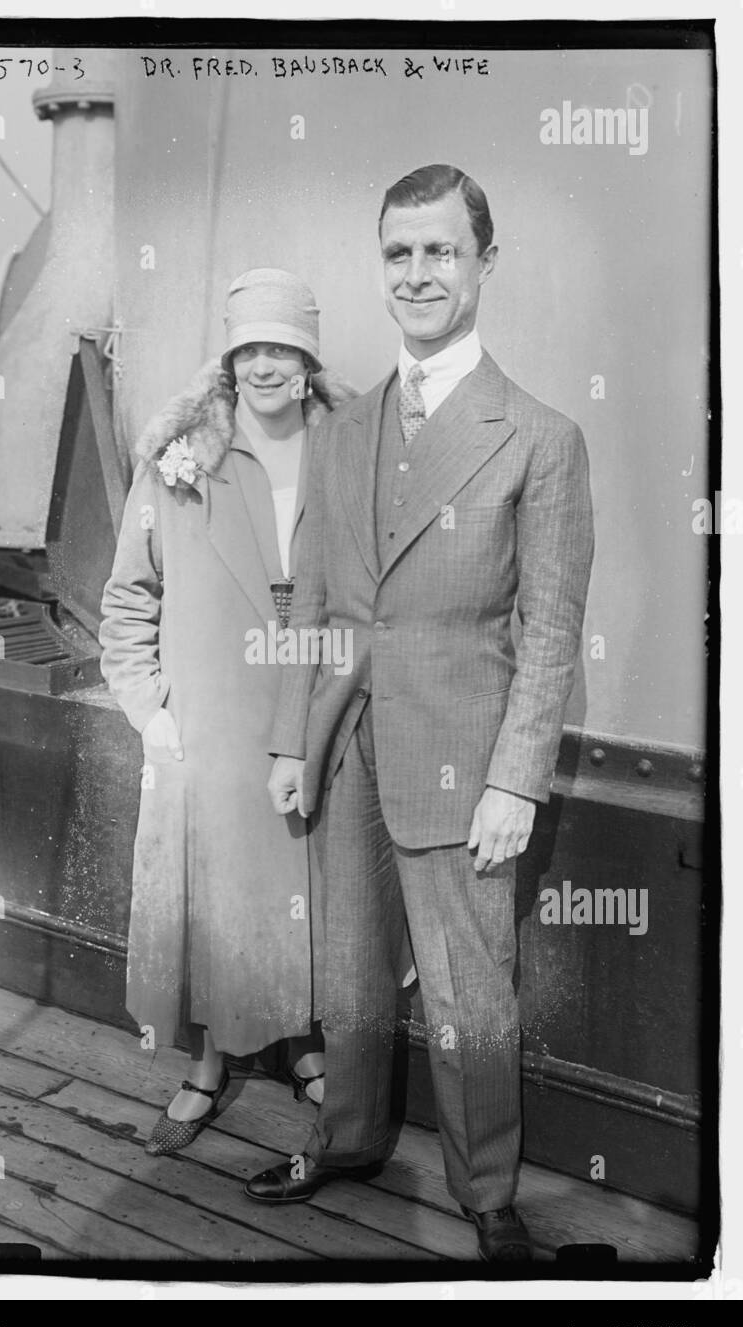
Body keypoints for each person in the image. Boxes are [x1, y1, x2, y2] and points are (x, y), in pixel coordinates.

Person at [244, 165, 595, 1262]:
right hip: (351, 753)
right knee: (347, 971)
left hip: (463, 765)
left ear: (486, 260)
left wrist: (513, 780)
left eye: (440, 250)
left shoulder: (539, 438)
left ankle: (488, 1197)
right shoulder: (344, 427)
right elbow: (318, 599)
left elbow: (550, 630)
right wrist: (294, 743)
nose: (417, 272)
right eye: (398, 252)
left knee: (468, 993)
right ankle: (347, 1136)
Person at [99, 269, 354, 1155]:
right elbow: (128, 600)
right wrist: (149, 708)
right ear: (230, 356)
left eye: (284, 346)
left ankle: (308, 1046)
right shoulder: (181, 460)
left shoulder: (349, 450)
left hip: (313, 711)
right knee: (215, 900)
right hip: (207, 726)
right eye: (251, 347)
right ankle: (209, 1065)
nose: (266, 365)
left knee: (310, 893)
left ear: (311, 358)